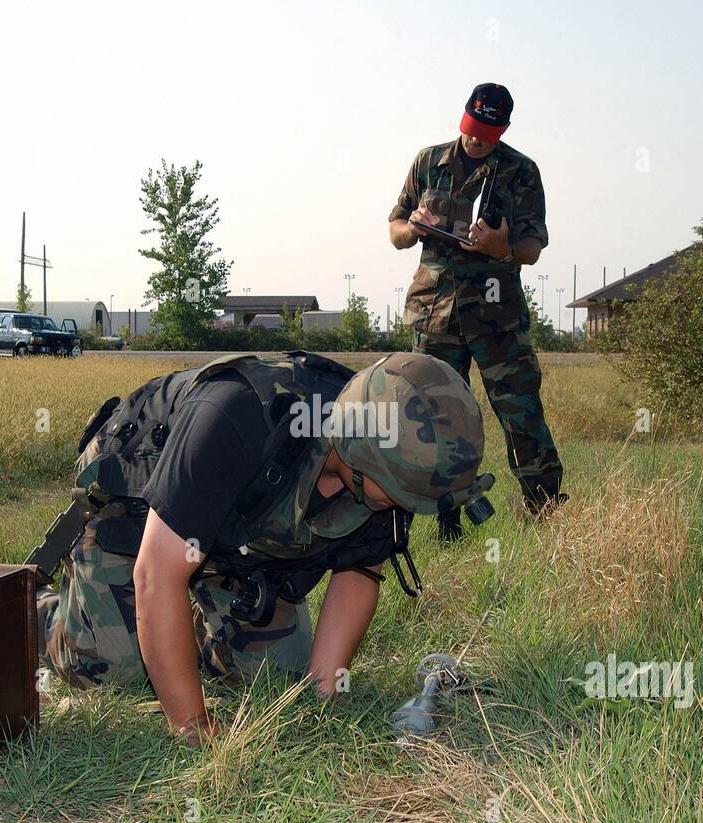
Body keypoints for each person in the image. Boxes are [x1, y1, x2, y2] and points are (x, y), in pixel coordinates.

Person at [28, 351, 494, 742]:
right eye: (402, 496)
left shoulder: (391, 458)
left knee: (274, 676)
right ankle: (35, 609)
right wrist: (194, 727)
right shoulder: (235, 417)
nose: (405, 507)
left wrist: (325, 695)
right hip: (134, 507)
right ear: (357, 458)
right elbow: (156, 574)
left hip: (235, 541)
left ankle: (168, 632)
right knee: (110, 665)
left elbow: (360, 568)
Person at [388, 82, 565, 542]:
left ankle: (544, 511)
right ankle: (445, 519)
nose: (475, 139)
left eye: (486, 133)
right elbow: (394, 230)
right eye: (470, 129)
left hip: (496, 317)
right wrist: (414, 226)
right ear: (462, 117)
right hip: (434, 314)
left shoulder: (522, 172)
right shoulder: (429, 161)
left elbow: (533, 247)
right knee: (435, 418)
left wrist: (501, 247)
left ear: (503, 129)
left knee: (521, 413)